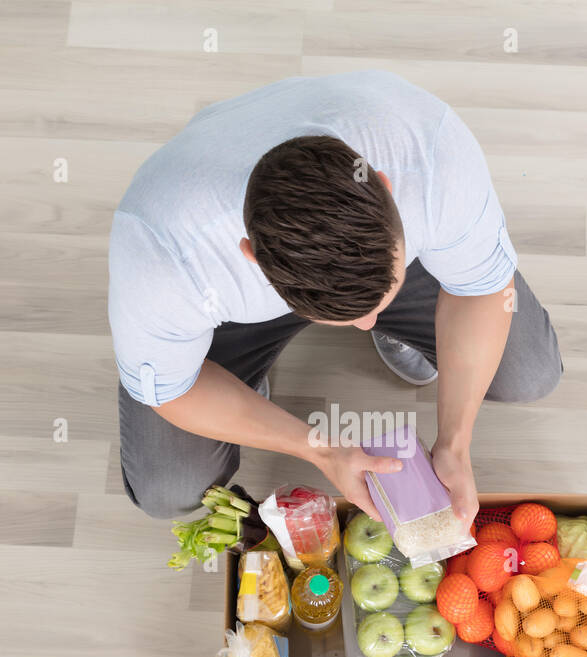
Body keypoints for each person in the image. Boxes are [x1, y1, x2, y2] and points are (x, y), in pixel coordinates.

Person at [109, 70, 562, 528]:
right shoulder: (162, 255)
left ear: (385, 186)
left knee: (527, 372)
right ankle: (237, 385)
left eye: (379, 304)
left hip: (390, 230)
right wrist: (319, 449)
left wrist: (454, 443)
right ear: (250, 255)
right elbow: (174, 392)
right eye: (349, 316)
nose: (366, 325)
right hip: (222, 303)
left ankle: (391, 301)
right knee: (169, 487)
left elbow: (484, 290)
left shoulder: (431, 158)